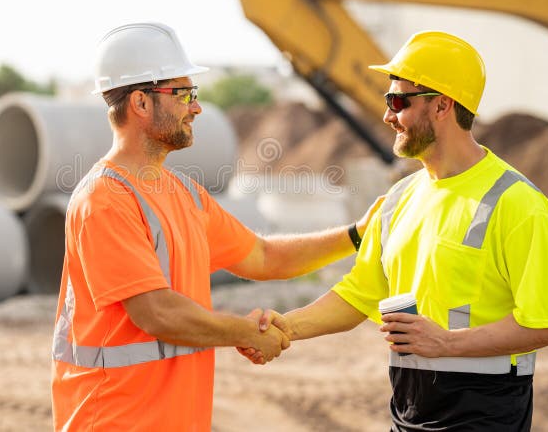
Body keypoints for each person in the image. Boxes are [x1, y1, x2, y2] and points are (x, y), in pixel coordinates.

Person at [51, 22, 384, 431]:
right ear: (140, 101)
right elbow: (157, 312)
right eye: (185, 94)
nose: (197, 107)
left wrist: (357, 234)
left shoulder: (184, 194)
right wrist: (246, 331)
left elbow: (263, 256)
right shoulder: (104, 199)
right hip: (115, 420)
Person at [248, 30, 548, 431]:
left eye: (398, 101)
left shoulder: (516, 202)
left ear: (441, 105)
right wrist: (285, 328)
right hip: (408, 412)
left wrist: (447, 344)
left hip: (486, 417)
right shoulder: (399, 198)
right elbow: (358, 294)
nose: (387, 115)